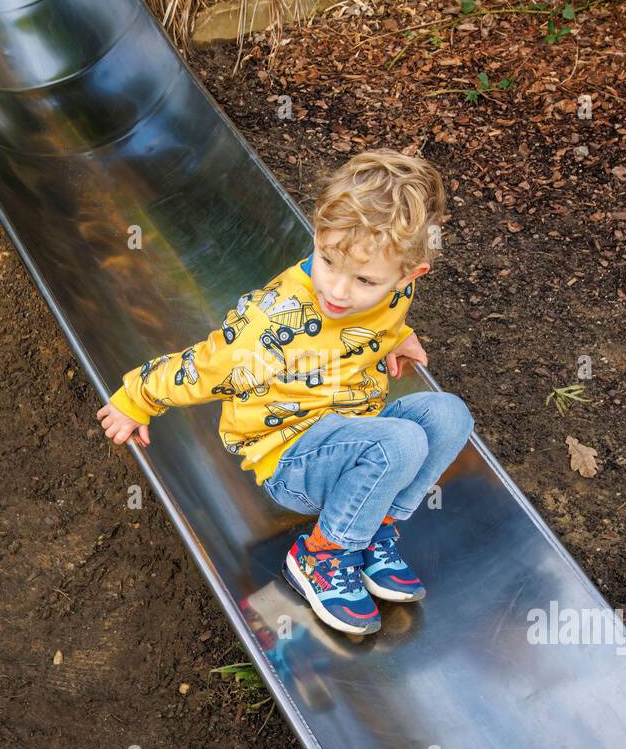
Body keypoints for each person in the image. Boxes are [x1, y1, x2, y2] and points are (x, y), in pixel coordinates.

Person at [97, 149, 474, 637]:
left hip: (349, 433)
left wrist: (397, 336)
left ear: (409, 276)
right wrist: (136, 399)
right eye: (328, 261)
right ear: (317, 237)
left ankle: (374, 523)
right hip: (291, 460)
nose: (337, 290)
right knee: (398, 443)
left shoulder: (394, 289)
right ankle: (323, 554)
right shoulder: (275, 324)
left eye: (364, 280)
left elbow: (385, 314)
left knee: (450, 415)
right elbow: (204, 368)